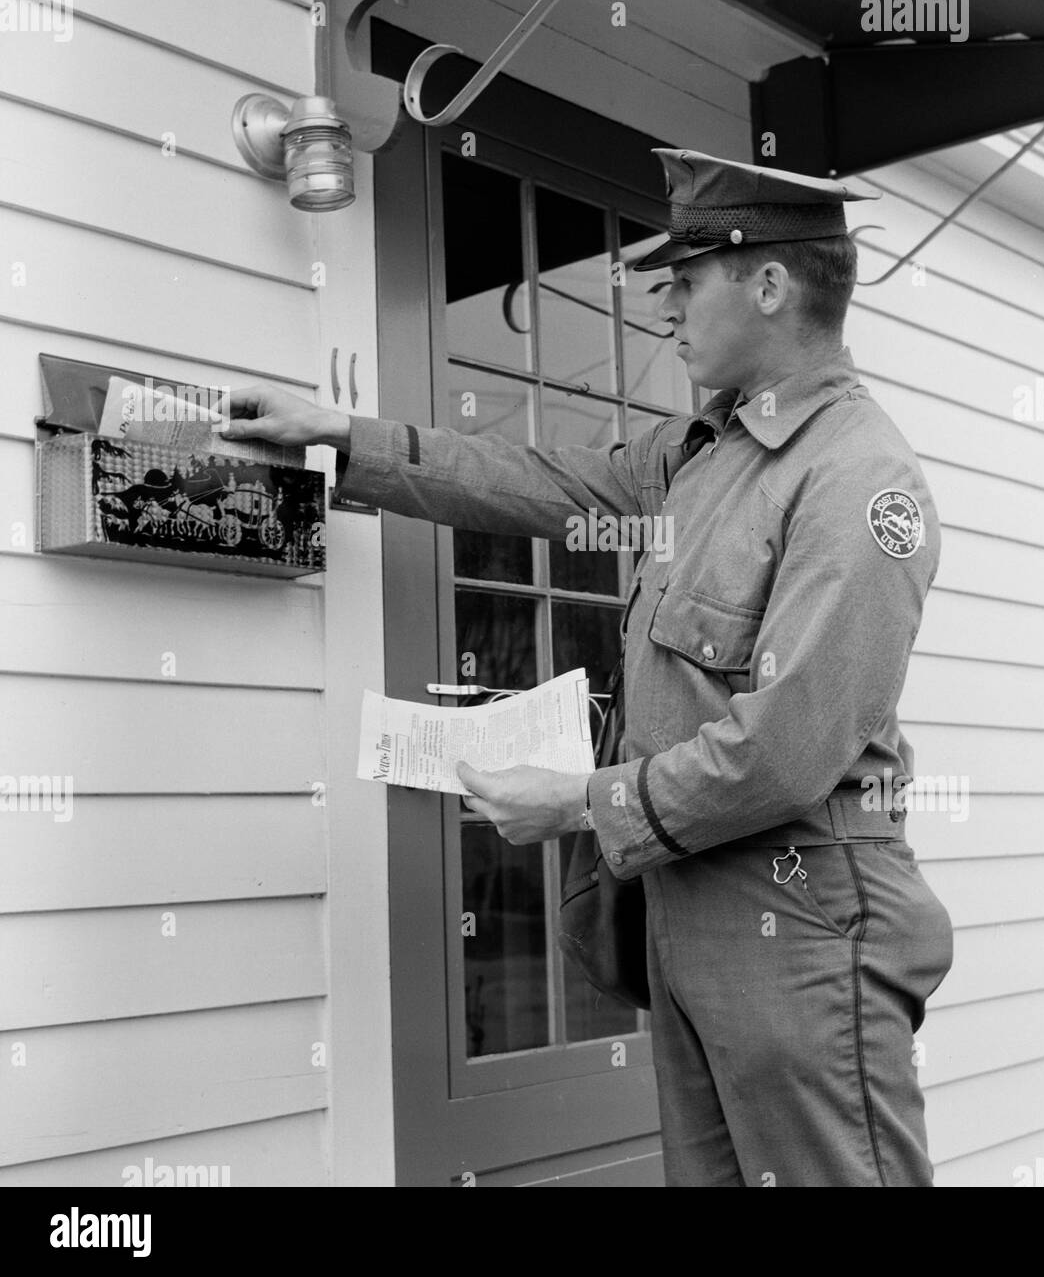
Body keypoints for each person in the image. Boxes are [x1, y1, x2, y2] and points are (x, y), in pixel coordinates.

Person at [216, 147, 955, 1187]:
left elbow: (786, 754)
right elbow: (542, 479)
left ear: (770, 284)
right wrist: (345, 436)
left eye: (686, 281)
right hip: (694, 911)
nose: (667, 308)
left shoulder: (856, 478)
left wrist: (576, 803)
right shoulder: (702, 452)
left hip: (799, 919)